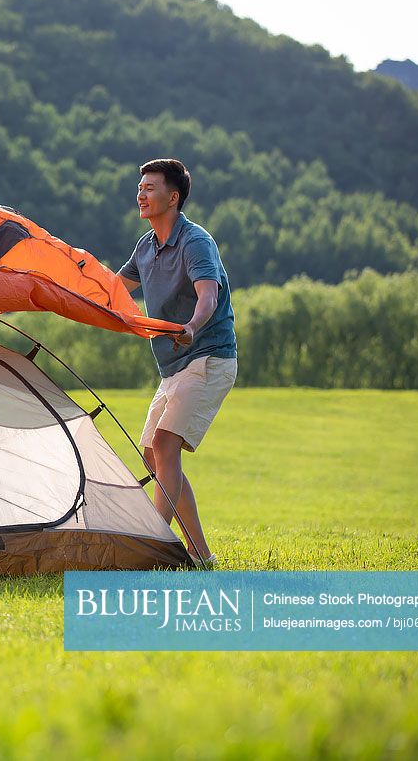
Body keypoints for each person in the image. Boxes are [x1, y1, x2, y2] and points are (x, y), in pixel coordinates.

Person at [117, 158, 237, 568]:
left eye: (150, 188)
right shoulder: (145, 246)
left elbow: (209, 296)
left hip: (209, 356)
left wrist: (191, 326)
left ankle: (149, 546)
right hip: (174, 366)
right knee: (154, 455)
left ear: (173, 197)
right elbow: (113, 288)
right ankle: (201, 555)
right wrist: (62, 288)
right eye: (140, 187)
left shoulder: (195, 241)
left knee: (166, 446)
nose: (141, 194)